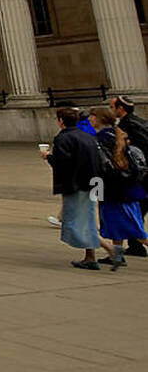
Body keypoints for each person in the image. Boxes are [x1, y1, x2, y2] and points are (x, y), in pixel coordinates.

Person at [45, 106, 104, 270]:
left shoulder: (63, 139)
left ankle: (104, 252)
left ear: (61, 121)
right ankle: (91, 254)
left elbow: (63, 164)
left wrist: (48, 157)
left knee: (76, 221)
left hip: (76, 184)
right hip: (93, 182)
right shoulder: (87, 136)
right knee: (88, 217)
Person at [90, 108, 148, 267]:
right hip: (128, 187)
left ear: (98, 119)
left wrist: (96, 191)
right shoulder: (118, 134)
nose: (89, 119)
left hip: (115, 190)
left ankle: (117, 254)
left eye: (92, 116)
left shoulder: (100, 139)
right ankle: (117, 254)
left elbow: (100, 167)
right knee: (118, 224)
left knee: (136, 230)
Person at [111, 96, 148, 255]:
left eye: (113, 107)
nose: (111, 110)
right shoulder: (139, 122)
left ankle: (137, 243)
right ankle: (135, 244)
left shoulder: (127, 126)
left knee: (137, 209)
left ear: (121, 109)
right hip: (143, 172)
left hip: (141, 174)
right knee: (138, 209)